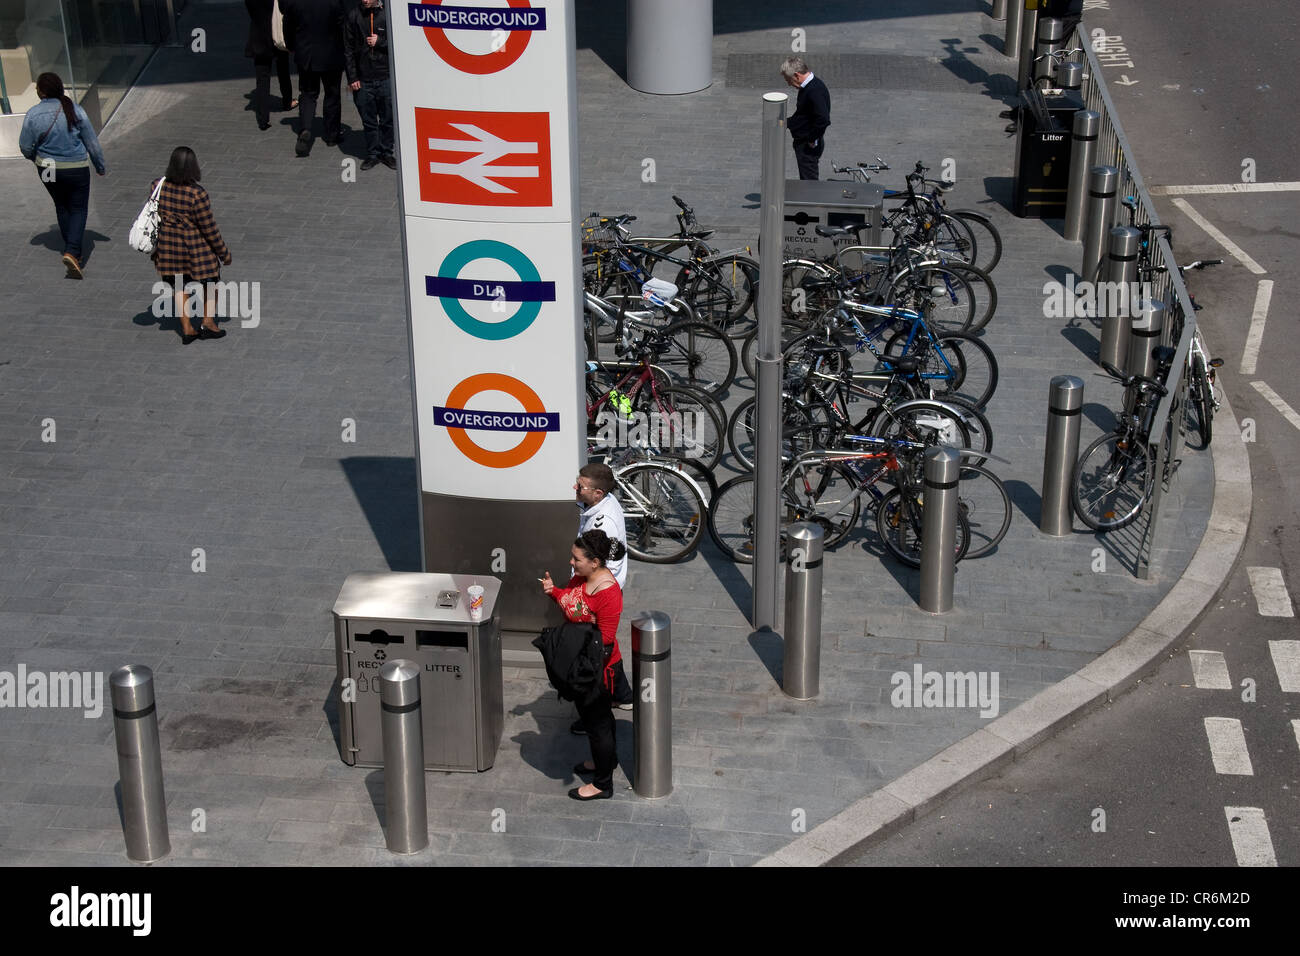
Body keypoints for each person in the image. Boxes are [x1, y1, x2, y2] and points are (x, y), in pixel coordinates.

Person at [542, 530, 626, 800]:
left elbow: (606, 640)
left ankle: (603, 784)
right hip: (583, 664)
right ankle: (605, 762)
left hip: (597, 670)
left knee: (598, 725)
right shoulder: (581, 577)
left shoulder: (609, 593)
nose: (571, 562)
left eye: (576, 558)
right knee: (596, 723)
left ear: (596, 562)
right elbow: (569, 602)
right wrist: (553, 591)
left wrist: (586, 676)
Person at [18, 73, 106, 280]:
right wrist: (100, 165)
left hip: (47, 167)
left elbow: (24, 146)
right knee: (78, 208)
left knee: (61, 204)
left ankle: (72, 250)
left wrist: (35, 158)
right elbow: (92, 143)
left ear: (41, 91)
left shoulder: (32, 114)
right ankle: (73, 251)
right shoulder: (76, 110)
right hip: (76, 168)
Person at [150, 147, 233, 345]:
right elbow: (209, 228)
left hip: (168, 247)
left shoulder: (157, 185)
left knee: (179, 286)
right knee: (211, 284)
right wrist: (224, 253)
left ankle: (187, 329)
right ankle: (208, 323)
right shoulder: (197, 194)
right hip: (195, 249)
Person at [573, 463, 635, 714]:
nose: (575, 488)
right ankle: (622, 694)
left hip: (598, 595)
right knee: (604, 645)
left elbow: (596, 564)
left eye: (580, 486)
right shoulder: (600, 504)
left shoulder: (602, 523)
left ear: (597, 493)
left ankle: (596, 710)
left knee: (593, 649)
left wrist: (580, 594)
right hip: (604, 591)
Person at [280, 0, 346, 156]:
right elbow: (342, 27)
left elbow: (287, 26)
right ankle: (332, 135)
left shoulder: (294, 3)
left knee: (308, 94)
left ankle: (305, 128)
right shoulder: (334, 2)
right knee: (332, 94)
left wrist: (291, 46)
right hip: (331, 56)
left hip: (306, 56)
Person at [342, 0, 394, 170]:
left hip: (385, 76)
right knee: (369, 120)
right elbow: (348, 49)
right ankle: (372, 154)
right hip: (364, 79)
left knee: (388, 119)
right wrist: (352, 77)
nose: (365, 0)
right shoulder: (353, 16)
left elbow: (398, 43)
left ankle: (386, 152)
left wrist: (380, 42)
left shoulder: (387, 15)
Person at [245, 0, 297, 131]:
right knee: (283, 70)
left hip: (260, 37)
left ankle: (263, 119)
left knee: (262, 79)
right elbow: (286, 9)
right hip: (277, 35)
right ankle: (287, 102)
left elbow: (251, 10)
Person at [780, 56, 831, 181]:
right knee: (807, 178)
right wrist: (786, 122)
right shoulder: (811, 86)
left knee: (809, 182)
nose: (788, 84)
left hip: (808, 146)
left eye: (788, 80)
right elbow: (804, 115)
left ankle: (812, 200)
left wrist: (811, 139)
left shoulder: (814, 91)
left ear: (797, 75)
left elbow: (823, 119)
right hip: (805, 141)